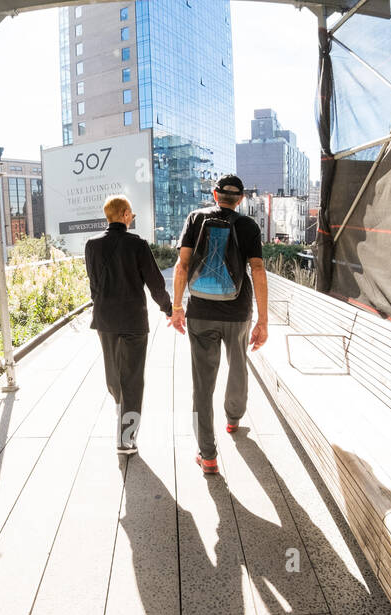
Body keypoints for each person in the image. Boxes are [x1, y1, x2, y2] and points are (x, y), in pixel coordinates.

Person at [169, 174, 268, 475]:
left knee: (202, 383)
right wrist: (263, 320)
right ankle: (234, 419)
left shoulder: (195, 218)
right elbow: (259, 270)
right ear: (240, 199)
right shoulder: (248, 225)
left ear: (215, 194)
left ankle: (207, 454)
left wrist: (176, 307)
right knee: (238, 365)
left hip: (200, 310)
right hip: (238, 312)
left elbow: (182, 265)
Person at [84, 194, 173, 455]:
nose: (132, 217)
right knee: (132, 379)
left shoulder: (91, 245)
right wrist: (168, 308)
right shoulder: (138, 244)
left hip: (105, 319)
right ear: (124, 214)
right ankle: (126, 437)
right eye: (131, 213)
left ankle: (121, 407)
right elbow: (156, 283)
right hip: (134, 319)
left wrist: (101, 306)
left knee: (113, 373)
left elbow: (93, 284)